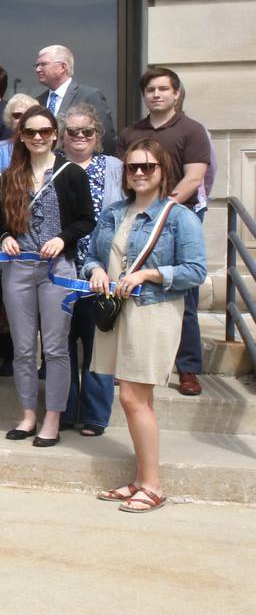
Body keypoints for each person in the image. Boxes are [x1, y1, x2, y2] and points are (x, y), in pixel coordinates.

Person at [86, 139, 207, 514]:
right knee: (136, 398)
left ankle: (152, 485)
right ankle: (141, 479)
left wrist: (150, 273)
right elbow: (92, 254)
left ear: (163, 171)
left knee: (131, 397)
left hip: (151, 310)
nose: (139, 172)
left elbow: (196, 271)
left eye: (148, 167)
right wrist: (97, 270)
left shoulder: (178, 216)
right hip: (118, 309)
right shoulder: (114, 212)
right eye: (132, 167)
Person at [0, 105, 94, 446]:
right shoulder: (10, 176)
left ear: (54, 134)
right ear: (21, 136)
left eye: (44, 131)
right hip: (19, 268)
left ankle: (52, 418)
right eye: (30, 132)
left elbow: (85, 219)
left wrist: (62, 238)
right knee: (23, 348)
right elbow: (0, 223)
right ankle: (27, 415)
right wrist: (6, 236)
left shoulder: (71, 173)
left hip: (57, 269)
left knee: (55, 348)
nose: (37, 137)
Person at [117, 65, 215, 398]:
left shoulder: (191, 130)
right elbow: (126, 178)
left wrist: (163, 210)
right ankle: (130, 363)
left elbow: (194, 177)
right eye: (150, 90)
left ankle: (187, 368)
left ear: (176, 93)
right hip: (135, 217)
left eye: (163, 89)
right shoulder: (131, 132)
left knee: (181, 292)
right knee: (132, 290)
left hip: (176, 218)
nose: (156, 94)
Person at [62, 103, 124, 436]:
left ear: (97, 135)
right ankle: (67, 409)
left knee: (98, 344)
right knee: (62, 345)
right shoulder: (54, 169)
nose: (80, 137)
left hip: (101, 269)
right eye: (73, 131)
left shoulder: (112, 166)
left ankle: (96, 415)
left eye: (87, 131)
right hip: (62, 269)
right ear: (63, 136)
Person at [35, 44, 116, 153]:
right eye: (36, 65)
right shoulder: (38, 101)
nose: (38, 69)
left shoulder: (89, 96)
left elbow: (105, 138)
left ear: (62, 67)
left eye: (43, 64)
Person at [0, 93, 38, 174]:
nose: (22, 119)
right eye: (17, 115)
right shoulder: (0, 148)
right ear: (10, 118)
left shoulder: (41, 144)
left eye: (27, 114)